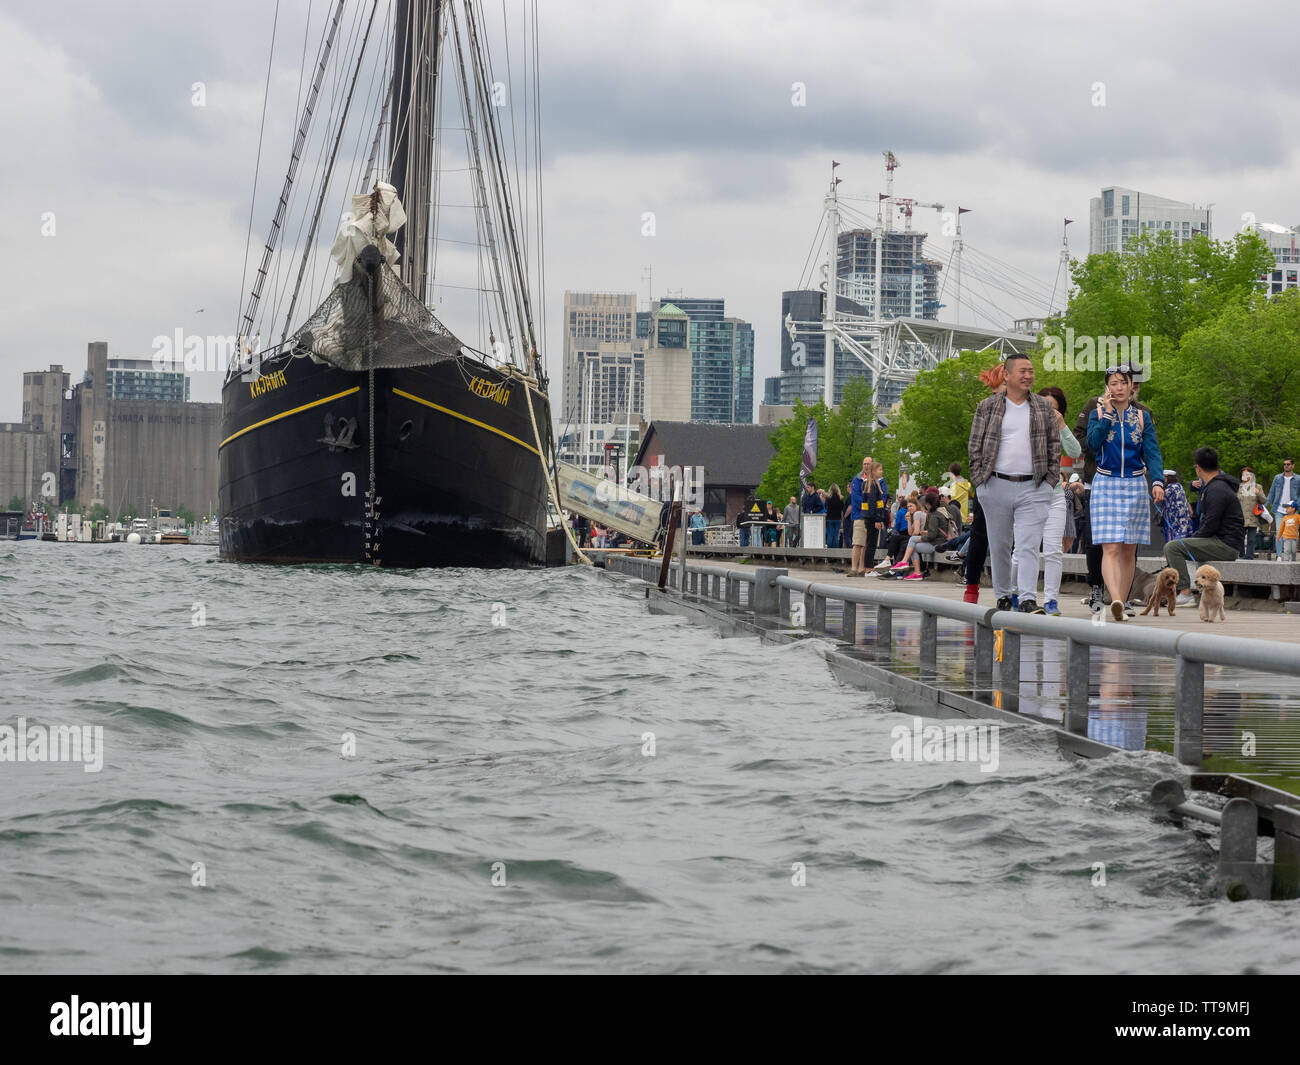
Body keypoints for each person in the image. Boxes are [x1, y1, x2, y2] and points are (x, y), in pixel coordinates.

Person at [968, 351, 1061, 614]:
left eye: (1031, 371)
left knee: (1028, 544)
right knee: (999, 544)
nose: (1028, 375)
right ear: (1007, 375)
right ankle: (1003, 595)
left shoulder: (1043, 407)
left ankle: (1029, 598)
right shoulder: (988, 407)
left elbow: (1054, 445)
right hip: (995, 486)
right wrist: (980, 483)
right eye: (1023, 371)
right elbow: (975, 446)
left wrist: (1048, 481)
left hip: (1034, 487)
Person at [1086, 365, 1165, 622]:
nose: (1118, 388)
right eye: (1113, 383)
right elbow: (1092, 444)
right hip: (1106, 482)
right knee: (1110, 547)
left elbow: (1152, 452)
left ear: (1132, 386)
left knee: (1129, 548)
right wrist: (1107, 415)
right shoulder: (1097, 413)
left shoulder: (1142, 418)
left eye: (1123, 383)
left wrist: (1158, 482)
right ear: (1107, 387)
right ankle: (1117, 599)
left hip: (1134, 482)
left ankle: (1121, 598)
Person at [1165, 447, 1245, 606]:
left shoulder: (1216, 489)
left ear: (1198, 468)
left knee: (1172, 547)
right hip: (1226, 541)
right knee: (1181, 546)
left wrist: (1190, 540)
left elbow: (1211, 524)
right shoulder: (1220, 485)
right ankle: (1187, 589)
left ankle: (1185, 593)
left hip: (1226, 545)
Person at [884, 491, 945, 579]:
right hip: (935, 542)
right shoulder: (931, 514)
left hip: (936, 543)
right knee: (908, 543)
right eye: (908, 506)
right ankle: (916, 572)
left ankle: (902, 564)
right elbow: (912, 533)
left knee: (910, 541)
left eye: (911, 506)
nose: (909, 508)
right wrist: (908, 520)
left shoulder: (925, 514)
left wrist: (922, 537)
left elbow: (926, 534)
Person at [1265, 459, 1300, 553]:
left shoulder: (1298, 479)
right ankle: (1279, 555)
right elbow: (1271, 493)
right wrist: (1265, 505)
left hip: (1292, 511)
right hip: (1279, 510)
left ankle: (1290, 554)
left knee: (1292, 533)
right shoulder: (1277, 478)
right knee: (1279, 532)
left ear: (1293, 465)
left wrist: (1297, 505)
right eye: (1284, 464)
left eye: (1288, 464)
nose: (1286, 466)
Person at [847, 455, 873, 576]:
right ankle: (853, 568)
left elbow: (882, 496)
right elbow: (856, 498)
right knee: (857, 542)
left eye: (868, 463)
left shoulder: (878, 479)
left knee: (867, 544)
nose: (866, 466)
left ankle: (862, 568)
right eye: (864, 463)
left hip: (873, 517)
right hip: (860, 515)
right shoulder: (856, 480)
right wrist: (868, 507)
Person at [1237, 468, 1268, 559]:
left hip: (1253, 517)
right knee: (1240, 538)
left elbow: (1264, 501)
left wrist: (1258, 493)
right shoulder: (1238, 487)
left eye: (1248, 474)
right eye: (1244, 475)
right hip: (1240, 517)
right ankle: (1241, 555)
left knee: (1251, 539)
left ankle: (1249, 555)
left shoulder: (1258, 487)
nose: (1246, 476)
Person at [1160, 470, 1194, 545]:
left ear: (1166, 477)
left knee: (1171, 535)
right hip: (1183, 516)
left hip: (1173, 517)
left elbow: (1164, 500)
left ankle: (1170, 552)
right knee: (1182, 535)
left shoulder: (1169, 488)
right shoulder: (1179, 486)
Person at [824, 484, 844, 549]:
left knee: (830, 535)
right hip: (838, 519)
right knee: (836, 536)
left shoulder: (828, 498)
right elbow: (842, 508)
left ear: (830, 490)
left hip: (830, 519)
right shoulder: (840, 498)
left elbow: (826, 508)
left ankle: (829, 551)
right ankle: (835, 552)